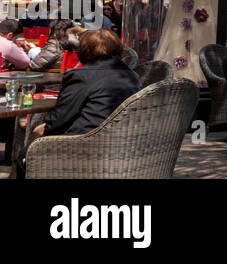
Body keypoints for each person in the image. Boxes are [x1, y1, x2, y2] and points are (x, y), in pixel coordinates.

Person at [21, 29, 141, 173]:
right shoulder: (132, 76)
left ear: (84, 51)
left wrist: (42, 128)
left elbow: (58, 120)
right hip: (122, 145)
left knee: (26, 152)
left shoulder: (81, 75)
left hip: (83, 147)